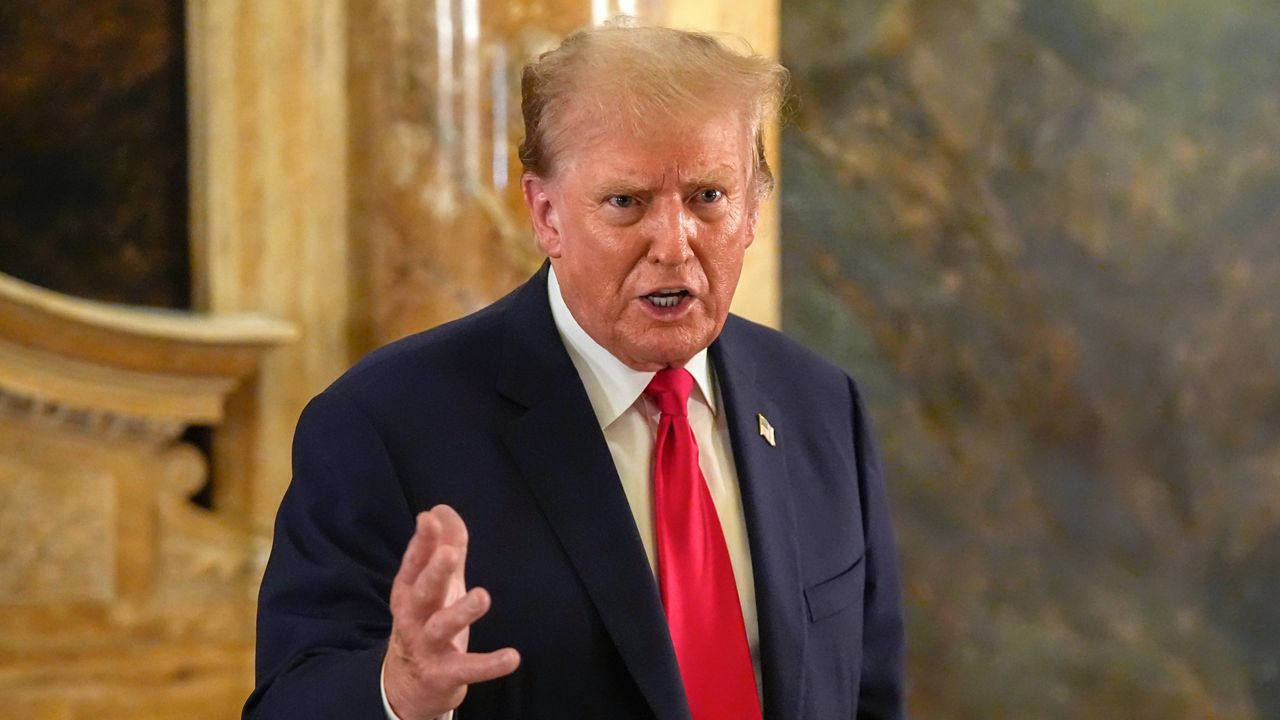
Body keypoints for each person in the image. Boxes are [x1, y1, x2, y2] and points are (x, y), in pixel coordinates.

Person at [245, 21, 905, 720]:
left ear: (753, 210)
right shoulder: (383, 425)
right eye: (627, 202)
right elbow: (289, 700)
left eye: (708, 197)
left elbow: (870, 696)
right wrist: (397, 693)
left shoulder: (820, 403)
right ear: (546, 214)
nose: (674, 246)